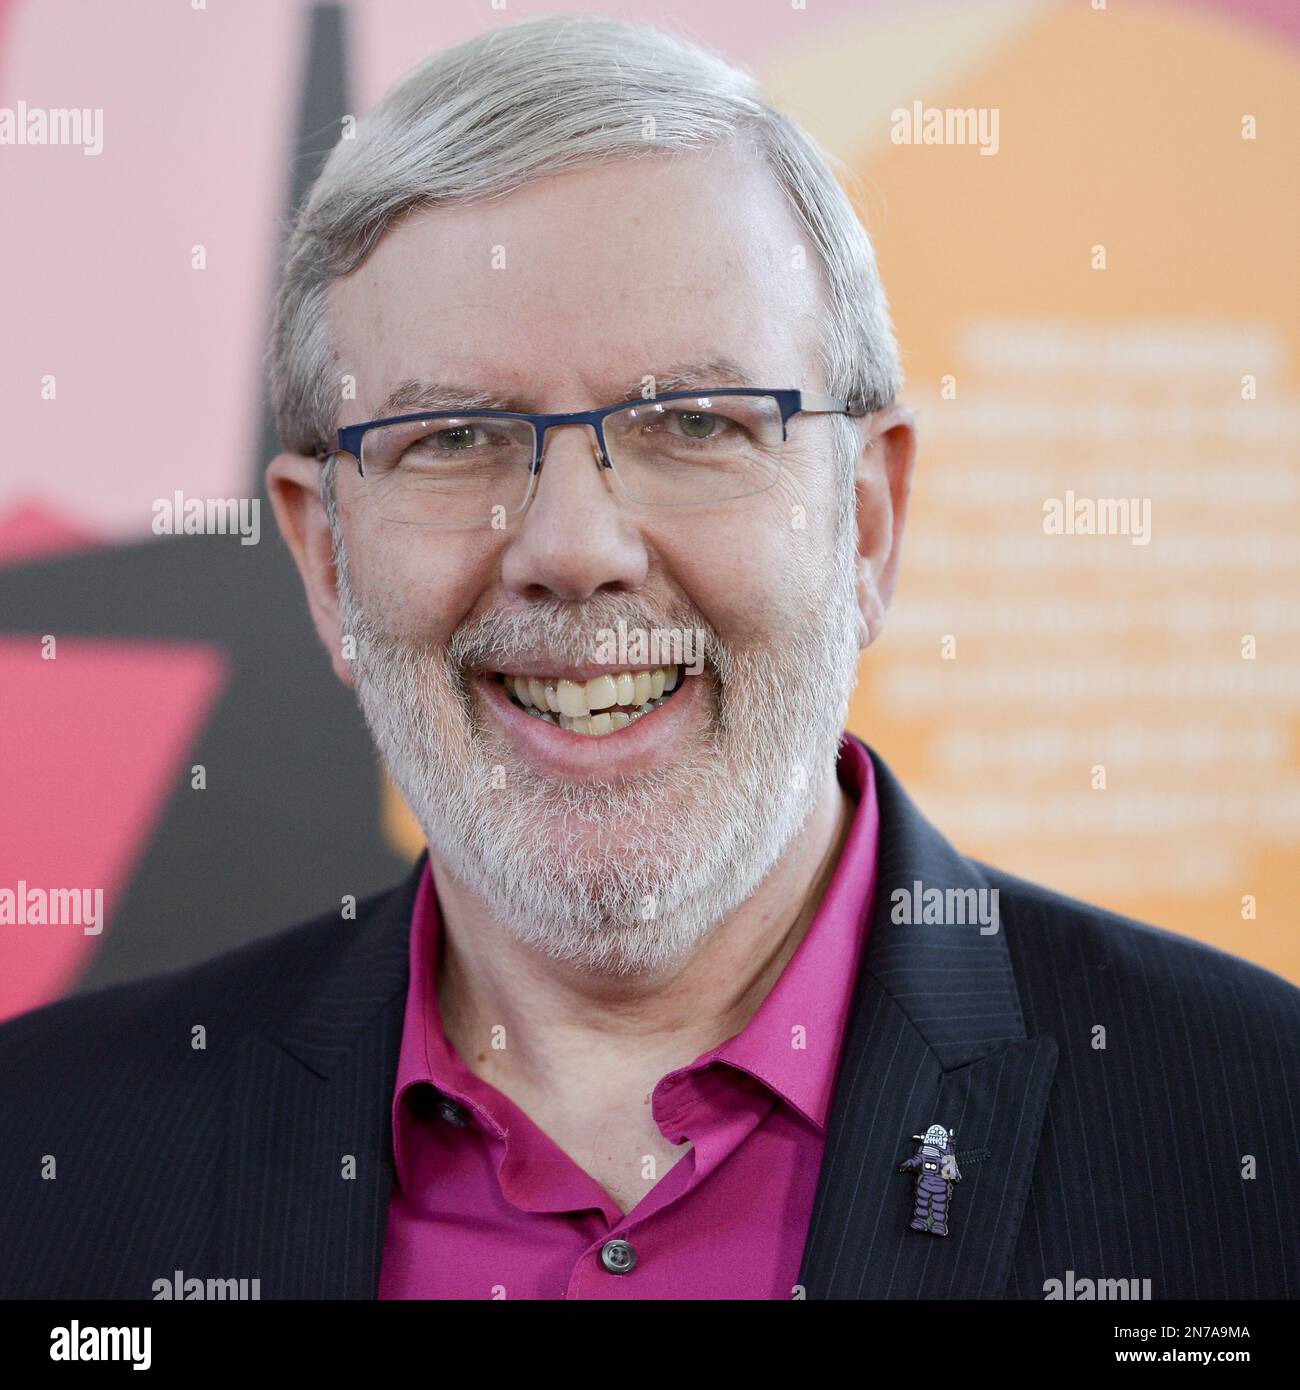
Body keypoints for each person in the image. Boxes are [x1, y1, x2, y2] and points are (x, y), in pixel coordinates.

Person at [0, 13, 1295, 1301]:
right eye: (452, 437)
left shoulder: (1258, 1135)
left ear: (865, 521)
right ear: (327, 558)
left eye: (693, 421)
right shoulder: (45, 1154)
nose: (572, 546)